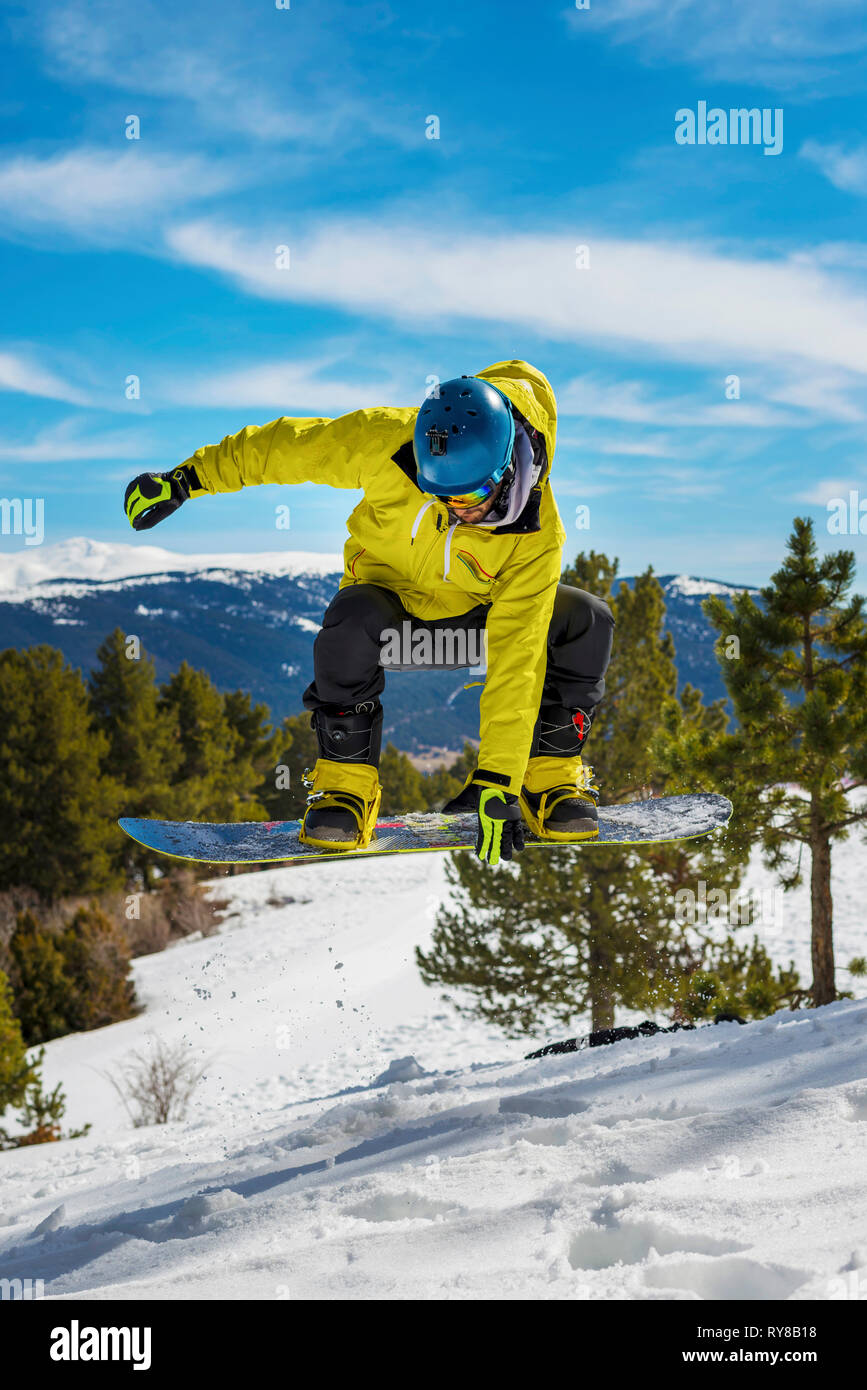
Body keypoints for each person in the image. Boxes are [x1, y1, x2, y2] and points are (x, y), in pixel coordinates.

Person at [124, 360, 614, 865]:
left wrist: (497, 782)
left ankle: (549, 780)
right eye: (438, 494)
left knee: (585, 617)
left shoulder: (537, 536)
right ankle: (345, 790)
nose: (453, 510)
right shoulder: (387, 440)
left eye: (468, 497)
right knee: (350, 616)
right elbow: (282, 449)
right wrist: (186, 479)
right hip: (390, 622)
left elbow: (518, 658)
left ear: (508, 469)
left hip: (479, 628)